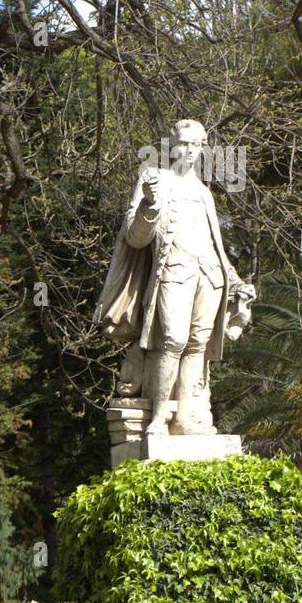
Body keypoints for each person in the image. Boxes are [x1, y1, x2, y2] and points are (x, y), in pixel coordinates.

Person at [94, 118, 255, 437]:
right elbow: (135, 237)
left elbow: (215, 246)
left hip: (208, 277)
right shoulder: (154, 180)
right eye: (184, 144)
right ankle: (158, 418)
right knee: (172, 340)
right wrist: (150, 203)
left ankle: (184, 419)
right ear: (171, 146)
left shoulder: (203, 192)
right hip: (172, 271)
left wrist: (236, 283)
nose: (190, 151)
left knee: (197, 344)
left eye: (197, 145)